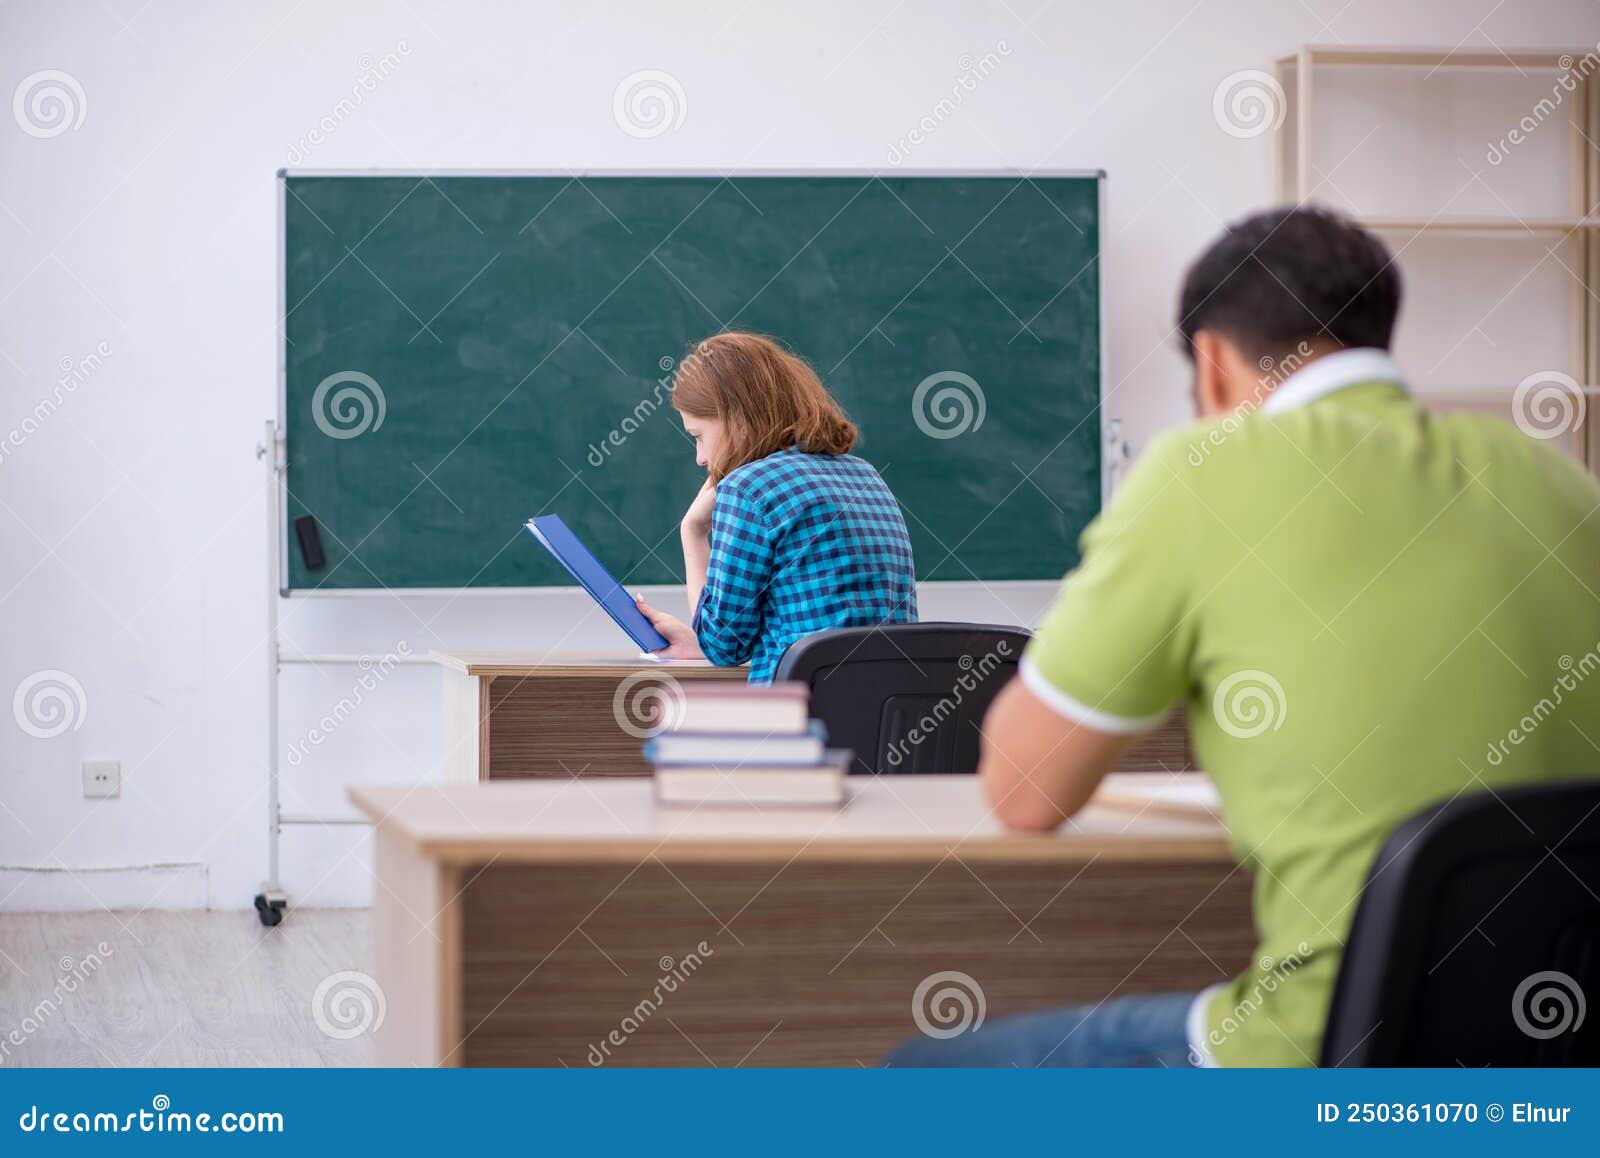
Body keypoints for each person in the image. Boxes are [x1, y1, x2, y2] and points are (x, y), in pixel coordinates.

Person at [888, 205, 1600, 1067]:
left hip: (1323, 1055)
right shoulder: (1557, 480)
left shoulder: (1206, 474)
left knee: (922, 1073)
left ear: (1215, 364)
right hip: (1557, 1051)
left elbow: (1025, 792)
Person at [636, 332, 917, 683]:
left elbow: (724, 647)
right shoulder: (865, 475)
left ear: (736, 418)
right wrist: (699, 643)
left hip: (798, 721)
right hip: (888, 716)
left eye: (699, 436)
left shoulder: (748, 487)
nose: (701, 458)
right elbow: (824, 627)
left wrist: (692, 531)